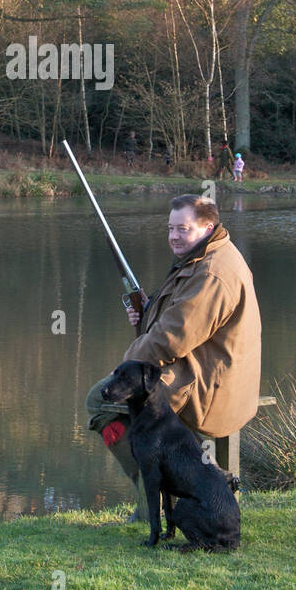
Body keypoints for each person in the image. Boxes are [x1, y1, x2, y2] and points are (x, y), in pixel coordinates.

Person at [86, 194, 262, 518]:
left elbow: (172, 338)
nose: (174, 236)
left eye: (183, 229)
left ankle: (157, 486)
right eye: (170, 228)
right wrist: (147, 309)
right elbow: (179, 318)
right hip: (204, 371)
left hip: (211, 387)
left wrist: (123, 370)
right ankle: (199, 472)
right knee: (129, 396)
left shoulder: (212, 273)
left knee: (101, 402)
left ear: (208, 227)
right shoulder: (203, 257)